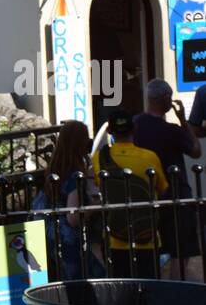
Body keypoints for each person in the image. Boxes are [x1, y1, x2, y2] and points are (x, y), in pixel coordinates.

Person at [134, 78, 201, 277]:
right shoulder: (172, 131)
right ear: (166, 99)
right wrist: (182, 120)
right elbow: (196, 151)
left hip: (144, 194)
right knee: (179, 251)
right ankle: (176, 293)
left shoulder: (135, 124)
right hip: (175, 195)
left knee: (149, 248)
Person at [92, 108, 167, 277]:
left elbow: (97, 187)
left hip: (114, 238)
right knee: (149, 289)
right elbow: (162, 188)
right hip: (147, 237)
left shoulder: (99, 159)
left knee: (121, 291)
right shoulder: (150, 157)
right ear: (134, 129)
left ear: (110, 131)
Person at [32, 120, 105, 280]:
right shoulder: (75, 175)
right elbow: (72, 216)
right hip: (69, 241)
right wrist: (96, 207)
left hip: (52, 237)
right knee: (92, 284)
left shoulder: (54, 170)